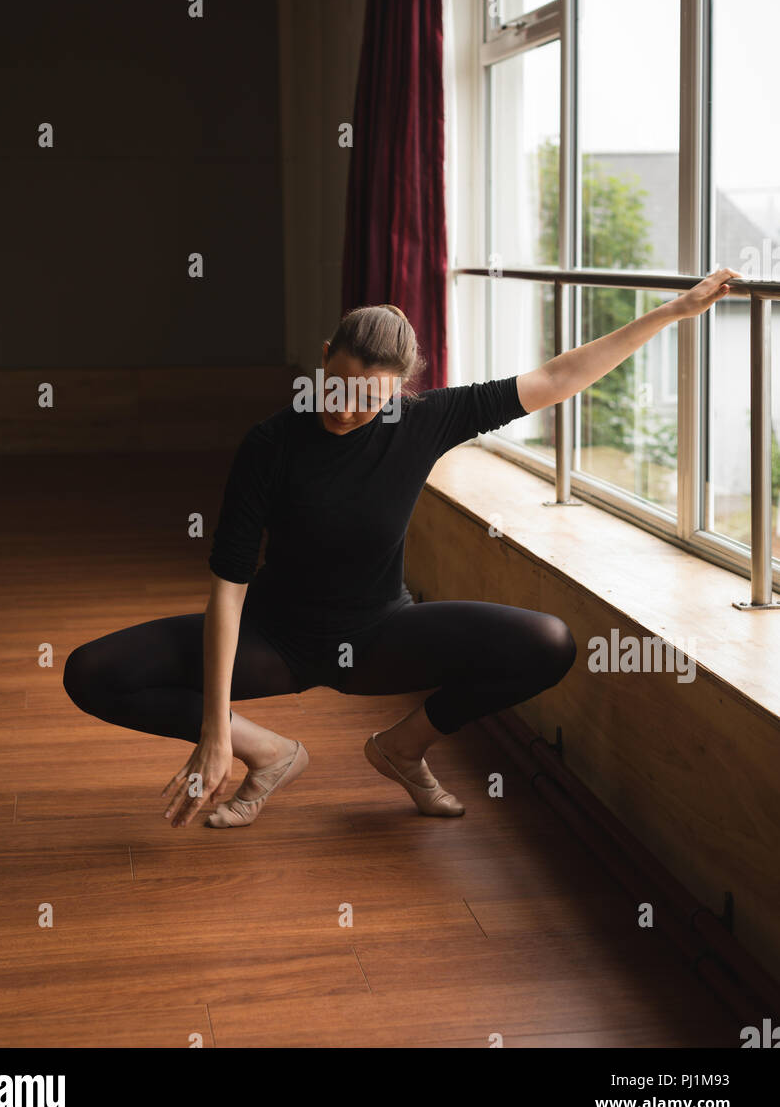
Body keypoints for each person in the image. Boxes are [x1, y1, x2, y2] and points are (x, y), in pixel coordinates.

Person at [62, 267, 740, 829]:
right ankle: (268, 753)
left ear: (399, 393)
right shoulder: (270, 444)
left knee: (550, 642)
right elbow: (228, 586)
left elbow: (560, 378)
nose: (347, 408)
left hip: (380, 633)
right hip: (272, 638)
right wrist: (216, 733)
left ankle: (402, 749)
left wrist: (675, 312)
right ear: (324, 354)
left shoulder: (424, 422)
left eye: (370, 399)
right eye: (339, 385)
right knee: (91, 672)